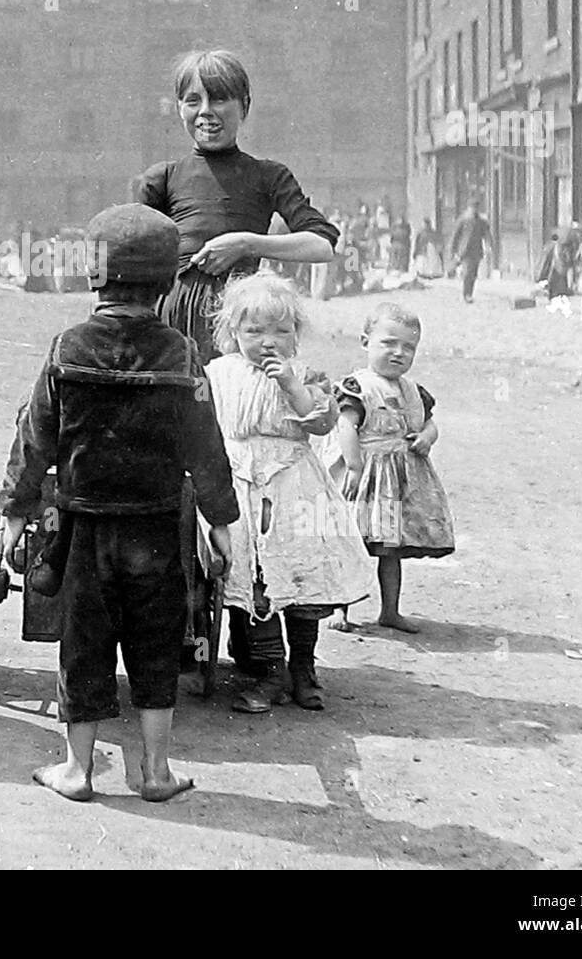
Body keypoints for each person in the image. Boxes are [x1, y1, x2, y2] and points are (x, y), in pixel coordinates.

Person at [0, 204, 238, 802]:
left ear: (93, 276)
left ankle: (77, 771)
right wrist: (221, 518)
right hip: (157, 528)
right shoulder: (182, 355)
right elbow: (206, 446)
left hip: (84, 530)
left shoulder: (67, 347)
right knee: (157, 645)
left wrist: (15, 508)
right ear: (166, 283)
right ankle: (155, 772)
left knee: (84, 644)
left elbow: (35, 436)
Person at [202, 272, 371, 713]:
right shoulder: (218, 373)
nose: (267, 341)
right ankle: (268, 671)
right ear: (231, 333)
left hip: (294, 485)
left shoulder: (306, 376)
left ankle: (303, 667)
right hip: (240, 484)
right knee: (252, 579)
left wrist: (291, 385)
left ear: (296, 335)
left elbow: (320, 423)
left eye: (281, 330)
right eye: (254, 331)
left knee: (301, 578)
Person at [133, 50, 338, 362]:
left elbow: (321, 246)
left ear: (244, 106)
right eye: (193, 101)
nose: (205, 111)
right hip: (171, 324)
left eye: (218, 99)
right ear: (179, 108)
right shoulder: (162, 179)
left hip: (239, 324)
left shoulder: (268, 175)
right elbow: (130, 260)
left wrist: (246, 244)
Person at [333, 303, 454, 634]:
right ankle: (340, 609)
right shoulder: (358, 387)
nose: (398, 353)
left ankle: (390, 610)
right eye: (389, 343)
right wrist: (354, 467)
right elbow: (346, 426)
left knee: (391, 549)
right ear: (365, 341)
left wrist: (427, 437)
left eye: (408, 347)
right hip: (366, 476)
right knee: (353, 541)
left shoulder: (414, 391)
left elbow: (431, 424)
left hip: (400, 480)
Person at [449, 201, 493, 302]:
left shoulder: (481, 221)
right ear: (469, 208)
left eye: (476, 208)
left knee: (473, 273)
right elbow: (455, 236)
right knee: (467, 272)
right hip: (465, 250)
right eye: (472, 208)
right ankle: (466, 294)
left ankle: (470, 292)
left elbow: (487, 234)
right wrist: (453, 250)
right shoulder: (463, 220)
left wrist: (488, 245)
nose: (474, 210)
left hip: (476, 250)